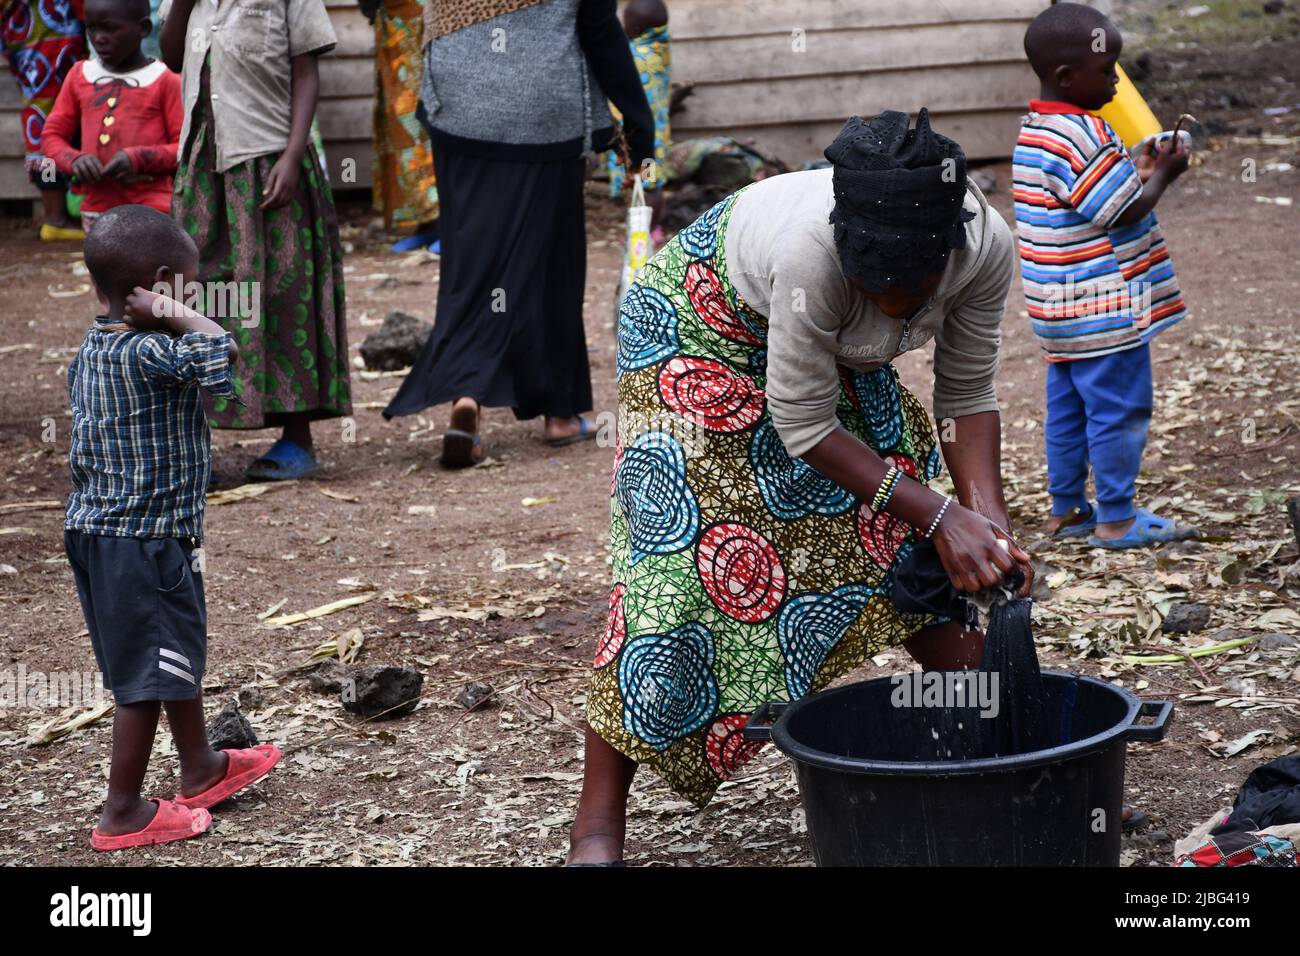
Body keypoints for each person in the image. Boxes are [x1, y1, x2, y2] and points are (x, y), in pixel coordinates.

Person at [568, 110, 1035, 865]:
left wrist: (985, 524)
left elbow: (967, 393)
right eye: (870, 278)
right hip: (696, 329)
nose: (889, 299)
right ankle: (595, 827)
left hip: (824, 358)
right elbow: (807, 427)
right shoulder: (809, 253)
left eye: (908, 284)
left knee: (896, 539)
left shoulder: (986, 250)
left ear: (947, 252)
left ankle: (1020, 750)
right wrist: (941, 514)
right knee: (677, 569)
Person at [65, 205, 280, 851]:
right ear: (161, 285)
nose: (196, 297)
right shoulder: (152, 349)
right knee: (145, 678)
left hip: (108, 536)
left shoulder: (93, 348)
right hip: (142, 540)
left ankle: (201, 766)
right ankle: (122, 813)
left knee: (171, 653)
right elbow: (222, 352)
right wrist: (176, 313)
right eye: (190, 285)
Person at [381, 0, 654, 467]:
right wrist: (638, 125)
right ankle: (560, 413)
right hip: (541, 114)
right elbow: (599, 30)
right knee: (553, 261)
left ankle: (467, 396)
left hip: (460, 106)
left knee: (471, 258)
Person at [1015, 3, 1192, 549]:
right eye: (1107, 69)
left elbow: (1088, 195)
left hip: (1059, 310)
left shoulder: (1037, 129)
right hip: (1103, 310)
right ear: (1067, 76)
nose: (1117, 79)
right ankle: (1116, 518)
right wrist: (1165, 174)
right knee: (1119, 409)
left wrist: (1138, 167)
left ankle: (1067, 510)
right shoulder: (1085, 131)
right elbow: (1122, 210)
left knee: (1068, 411)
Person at [160, 0, 351, 480]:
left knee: (285, 294)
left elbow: (306, 72)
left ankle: (297, 439)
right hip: (202, 167)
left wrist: (293, 155)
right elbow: (171, 56)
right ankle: (193, 446)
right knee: (197, 298)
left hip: (270, 165)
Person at [40, 0, 182, 228]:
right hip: (97, 211)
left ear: (143, 28)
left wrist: (138, 159)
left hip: (153, 212)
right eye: (92, 28)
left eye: (110, 29)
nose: (99, 38)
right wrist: (74, 160)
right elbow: (51, 136)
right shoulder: (80, 75)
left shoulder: (165, 80)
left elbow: (183, 147)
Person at [1, 0, 88, 240]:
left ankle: (57, 213)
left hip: (33, 24)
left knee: (48, 111)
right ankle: (55, 215)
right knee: (46, 115)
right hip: (41, 25)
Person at [360, 0, 440, 252]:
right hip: (394, 21)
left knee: (432, 112)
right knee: (403, 125)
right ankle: (426, 224)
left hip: (430, 20)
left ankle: (448, 223)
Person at [605, 0, 669, 239]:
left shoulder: (635, 57)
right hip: (656, 137)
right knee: (652, 184)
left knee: (646, 185)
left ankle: (645, 233)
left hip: (642, 140)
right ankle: (653, 228)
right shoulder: (659, 47)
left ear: (634, 30)